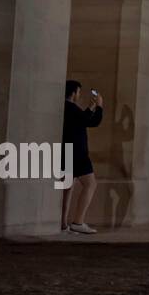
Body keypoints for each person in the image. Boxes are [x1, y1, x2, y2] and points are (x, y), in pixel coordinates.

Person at [60, 80, 103, 234]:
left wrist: (91, 108)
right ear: (73, 93)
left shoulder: (64, 108)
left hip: (65, 151)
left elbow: (82, 119)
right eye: (78, 92)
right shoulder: (71, 108)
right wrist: (99, 106)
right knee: (90, 184)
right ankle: (78, 221)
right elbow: (91, 122)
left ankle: (63, 223)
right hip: (78, 153)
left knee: (66, 187)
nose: (79, 95)